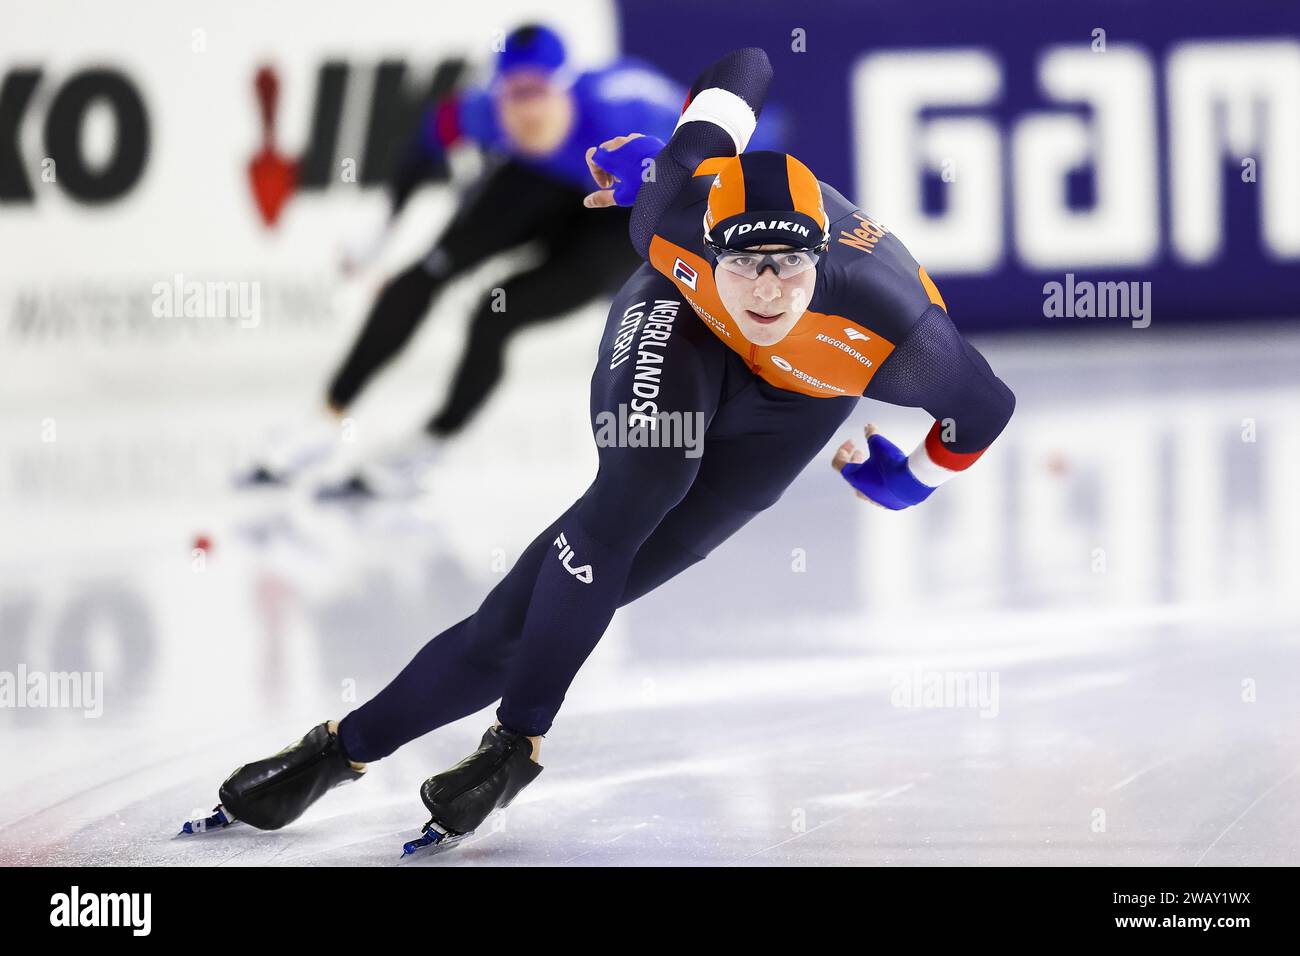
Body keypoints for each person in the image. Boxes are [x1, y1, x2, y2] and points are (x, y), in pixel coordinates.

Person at [189, 47, 1015, 850]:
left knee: (523, 622)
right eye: (746, 263)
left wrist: (907, 483)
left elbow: (984, 410)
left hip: (799, 401)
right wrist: (682, 154)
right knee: (644, 480)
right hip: (684, 323)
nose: (766, 289)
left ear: (820, 257)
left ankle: (346, 746)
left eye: (788, 264)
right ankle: (514, 744)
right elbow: (748, 63)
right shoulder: (669, 215)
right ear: (708, 243)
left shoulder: (899, 334)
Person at [244, 24, 686, 498]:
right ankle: (324, 422)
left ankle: (428, 446)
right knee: (427, 271)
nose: (526, 111)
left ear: (566, 89)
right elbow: (421, 152)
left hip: (615, 219)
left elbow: (717, 150)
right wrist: (380, 231)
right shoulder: (480, 113)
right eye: (512, 97)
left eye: (538, 93)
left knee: (495, 316)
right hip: (539, 182)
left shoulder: (623, 107)